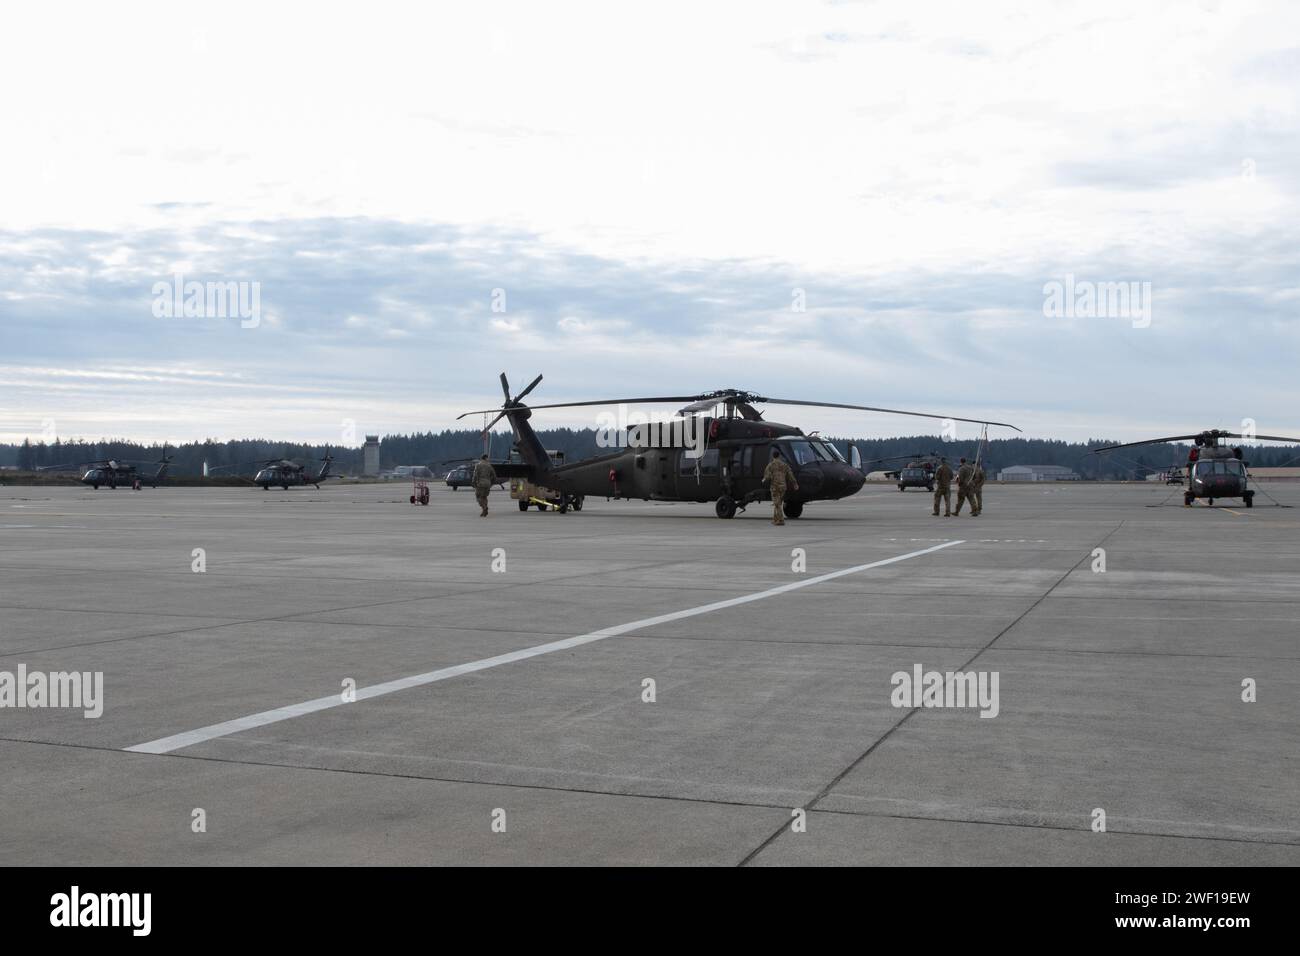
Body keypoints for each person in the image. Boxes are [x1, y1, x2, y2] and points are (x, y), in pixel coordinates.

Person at [762, 448, 799, 526]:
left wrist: (764, 480)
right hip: (783, 487)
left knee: (777, 504)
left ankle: (780, 520)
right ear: (779, 456)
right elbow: (790, 475)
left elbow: (767, 476)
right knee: (778, 503)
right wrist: (795, 484)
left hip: (775, 487)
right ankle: (775, 519)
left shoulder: (770, 465)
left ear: (773, 456)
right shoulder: (784, 465)